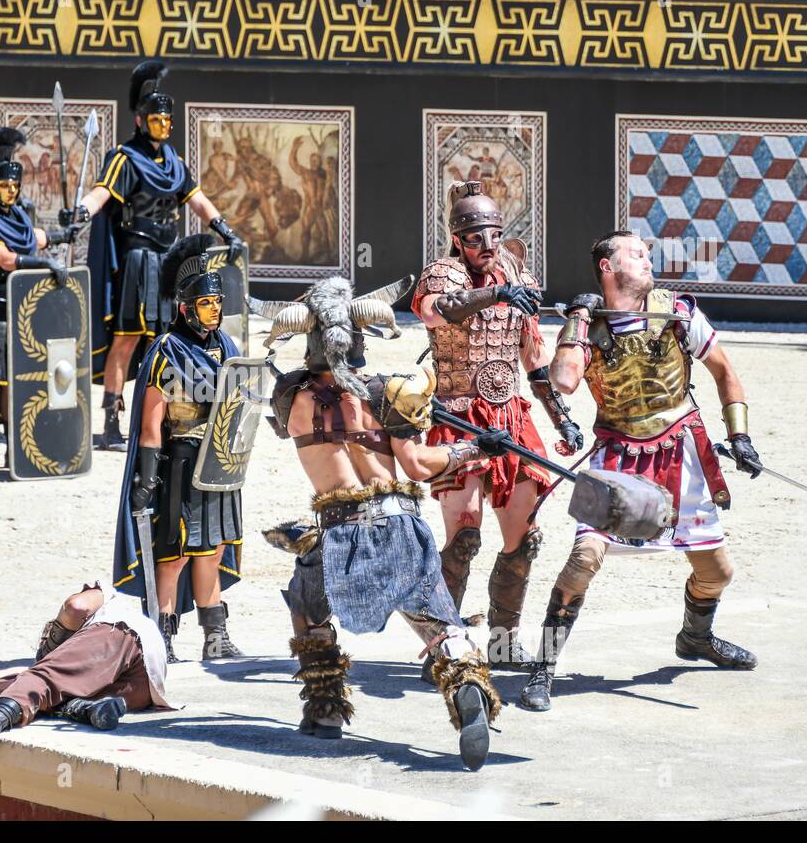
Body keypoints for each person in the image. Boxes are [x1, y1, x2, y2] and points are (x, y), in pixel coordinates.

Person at [255, 276, 508, 771]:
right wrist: (473, 447)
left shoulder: (292, 401)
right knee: (437, 623)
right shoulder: (387, 392)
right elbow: (417, 466)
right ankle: (467, 690)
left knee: (308, 605)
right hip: (397, 527)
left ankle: (325, 710)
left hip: (337, 533)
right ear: (359, 341)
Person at [518, 230, 761, 712]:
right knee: (584, 558)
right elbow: (564, 380)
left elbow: (723, 369)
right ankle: (543, 668)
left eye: (648, 253)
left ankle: (695, 638)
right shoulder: (589, 325)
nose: (648, 260)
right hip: (617, 457)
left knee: (717, 572)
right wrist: (578, 318)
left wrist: (739, 436)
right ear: (607, 268)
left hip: (682, 447)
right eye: (635, 254)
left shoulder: (678, 311)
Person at [411, 180, 582, 671]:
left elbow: (533, 361)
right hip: (458, 416)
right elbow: (438, 312)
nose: (486, 247)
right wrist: (495, 292)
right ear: (457, 240)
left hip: (510, 416)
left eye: (493, 235)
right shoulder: (441, 276)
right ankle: (444, 648)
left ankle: (504, 643)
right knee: (464, 537)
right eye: (474, 238)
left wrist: (561, 419)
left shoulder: (515, 275)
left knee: (523, 537)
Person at [58, 59, 244, 451]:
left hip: (169, 260)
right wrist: (81, 212)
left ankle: (159, 419)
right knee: (126, 339)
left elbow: (196, 199)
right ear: (141, 120)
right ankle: (110, 420)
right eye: (157, 119)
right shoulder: (125, 157)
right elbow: (102, 191)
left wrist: (225, 230)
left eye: (167, 120)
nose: (163, 125)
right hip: (138, 259)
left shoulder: (174, 162)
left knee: (165, 340)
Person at [112, 234, 244, 661]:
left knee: (214, 548)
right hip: (181, 465)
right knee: (175, 555)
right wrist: (146, 480)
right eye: (207, 304)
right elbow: (152, 425)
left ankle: (216, 636)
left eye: (218, 302)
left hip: (220, 462)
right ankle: (161, 639)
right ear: (186, 307)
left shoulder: (227, 348)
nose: (215, 311)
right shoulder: (167, 353)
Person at [0, 579, 171, 768]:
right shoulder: (74, 664)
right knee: (10, 687)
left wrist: (58, 636)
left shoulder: (109, 603)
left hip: (123, 638)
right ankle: (84, 708)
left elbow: (76, 606)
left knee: (37, 684)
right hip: (142, 690)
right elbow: (1, 679)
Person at [0, 127, 78, 462]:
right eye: (4, 186)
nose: (11, 192)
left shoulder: (17, 217)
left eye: (15, 186)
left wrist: (61, 234)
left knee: (16, 383)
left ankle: (17, 450)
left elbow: (34, 237)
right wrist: (43, 263)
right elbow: (5, 258)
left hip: (23, 312)